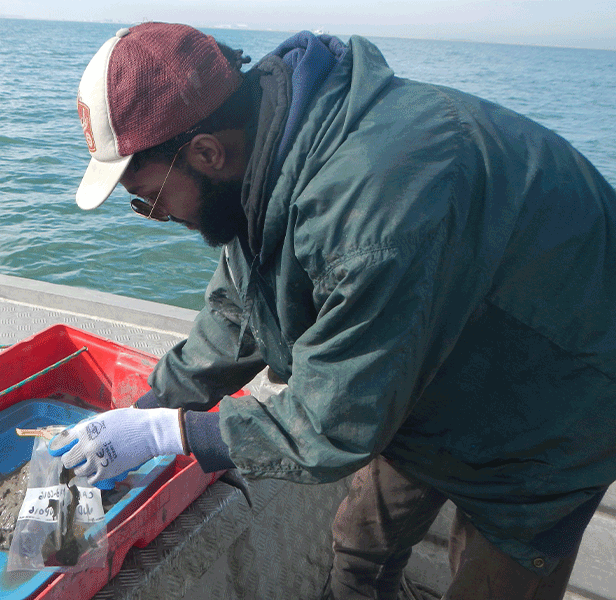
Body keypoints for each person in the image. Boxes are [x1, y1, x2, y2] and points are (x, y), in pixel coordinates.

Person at [48, 22, 616, 600]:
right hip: (425, 362)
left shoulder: (370, 213)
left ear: (206, 152)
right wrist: (151, 405)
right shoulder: (264, 153)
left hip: (554, 402)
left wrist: (165, 433)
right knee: (361, 546)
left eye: (151, 203)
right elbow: (236, 309)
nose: (159, 218)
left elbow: (328, 427)